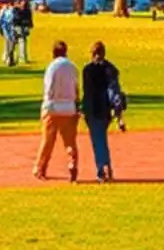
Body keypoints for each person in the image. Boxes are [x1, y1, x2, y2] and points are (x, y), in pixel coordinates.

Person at [34, 41, 79, 183]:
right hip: (69, 108)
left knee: (48, 141)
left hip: (53, 107)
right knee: (70, 141)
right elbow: (76, 88)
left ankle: (40, 168)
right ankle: (72, 163)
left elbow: (49, 88)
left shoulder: (52, 67)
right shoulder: (72, 67)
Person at [82, 41, 117, 182]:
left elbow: (87, 92)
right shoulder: (111, 69)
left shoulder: (88, 70)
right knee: (101, 138)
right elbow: (114, 89)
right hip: (105, 109)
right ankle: (106, 165)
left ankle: (102, 168)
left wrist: (83, 108)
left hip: (93, 109)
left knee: (98, 140)